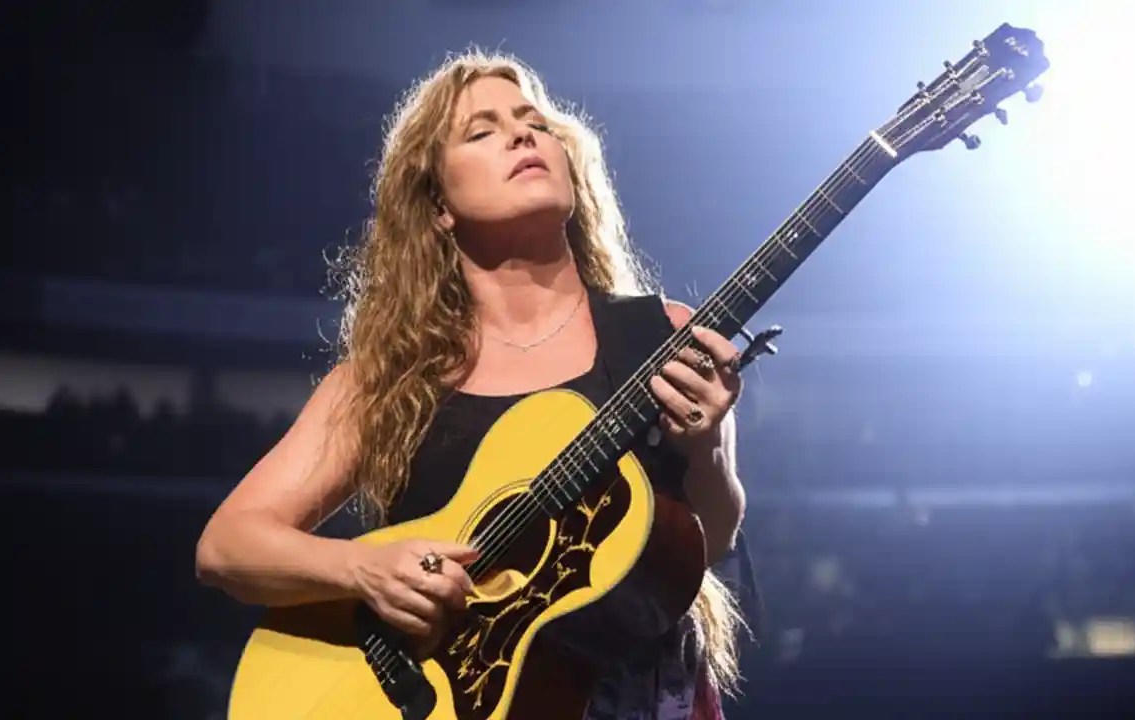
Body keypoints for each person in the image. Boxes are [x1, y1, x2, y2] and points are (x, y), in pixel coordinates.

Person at [195, 47, 752, 719]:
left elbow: (709, 541)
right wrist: (365, 570)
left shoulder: (661, 334)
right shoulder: (387, 382)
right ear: (437, 207)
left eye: (534, 122)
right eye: (482, 131)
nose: (522, 134)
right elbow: (227, 545)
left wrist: (708, 450)